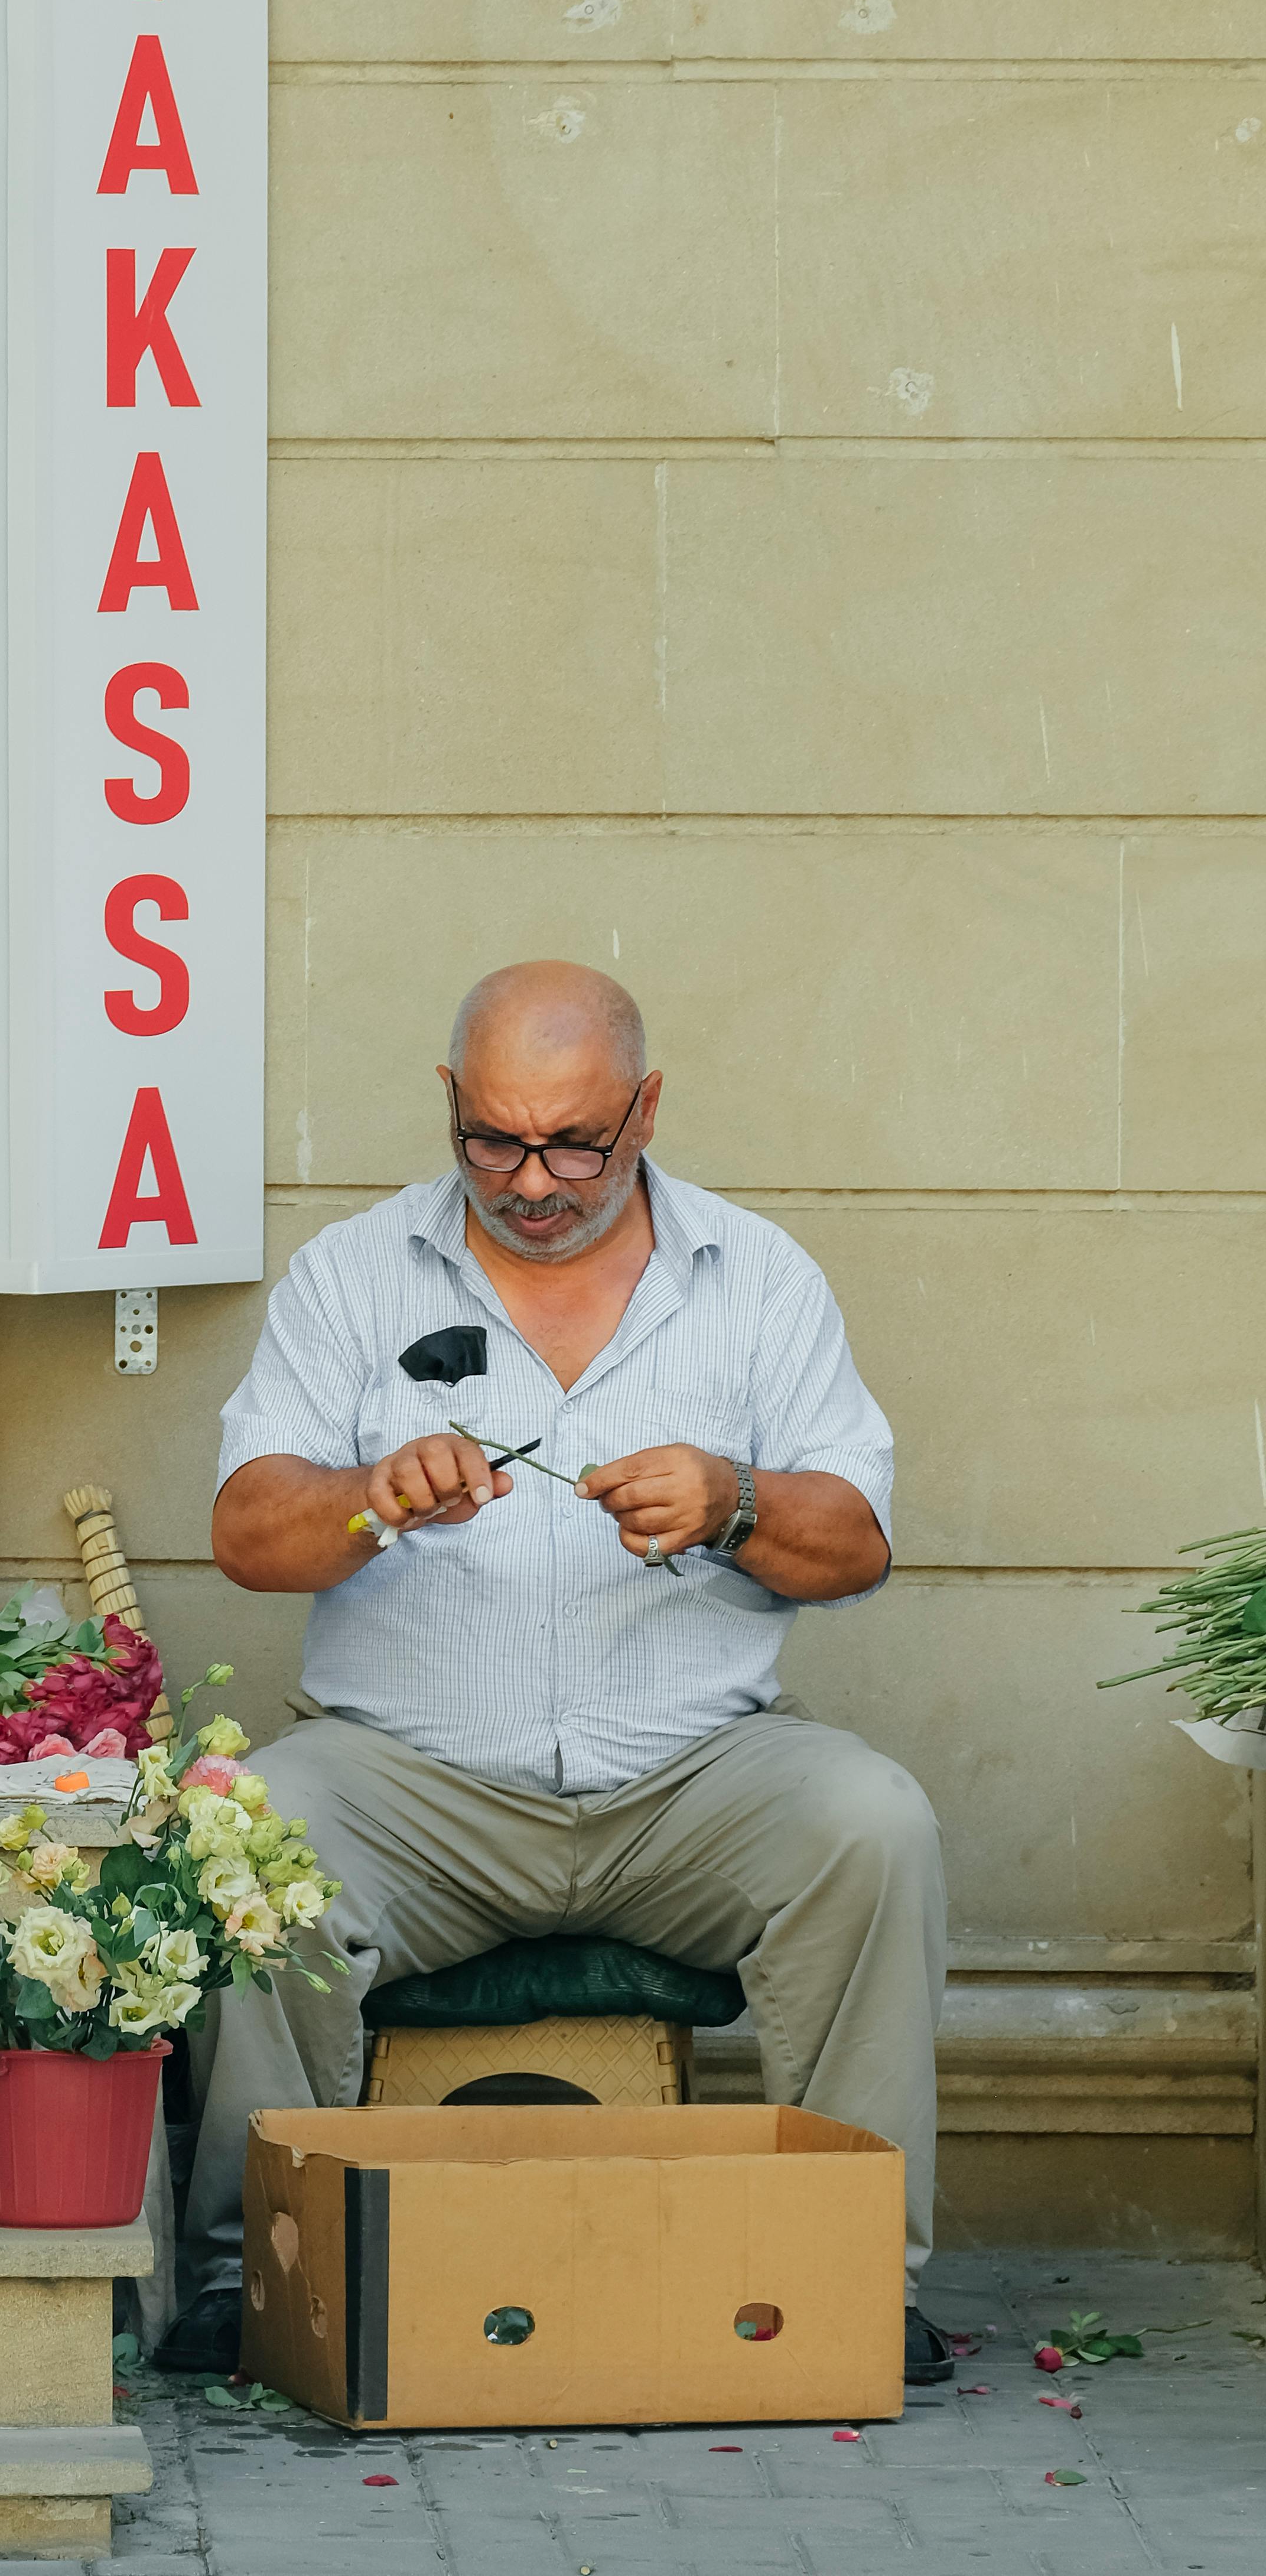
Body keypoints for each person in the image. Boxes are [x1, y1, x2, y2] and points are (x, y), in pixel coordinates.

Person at [163, 959, 952, 2389]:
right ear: (450, 1104)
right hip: (410, 1784)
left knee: (873, 1822)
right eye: (491, 1138)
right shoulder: (351, 1272)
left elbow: (856, 1548)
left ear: (643, 1110)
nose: (529, 1180)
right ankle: (254, 2274)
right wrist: (371, 1492)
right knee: (250, 1830)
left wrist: (734, 1502)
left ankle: (858, 2273)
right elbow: (243, 1535)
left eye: (572, 1142)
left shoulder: (756, 1277)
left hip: (691, 1781)